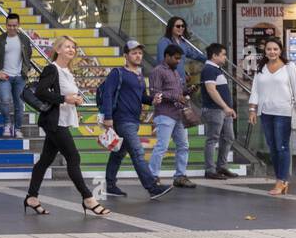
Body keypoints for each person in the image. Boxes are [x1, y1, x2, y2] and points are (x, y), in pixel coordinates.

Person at [24, 37, 110, 217]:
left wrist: (75, 100)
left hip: (62, 120)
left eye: (73, 47)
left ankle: (32, 197)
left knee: (45, 160)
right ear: (58, 49)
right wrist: (65, 99)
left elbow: (66, 95)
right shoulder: (52, 69)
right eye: (67, 46)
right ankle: (88, 198)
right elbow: (41, 91)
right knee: (74, 157)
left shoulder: (67, 72)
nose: (71, 49)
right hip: (54, 122)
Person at [99, 40, 171, 200]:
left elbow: (141, 97)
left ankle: (110, 185)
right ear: (125, 56)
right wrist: (108, 117)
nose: (138, 55)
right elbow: (108, 94)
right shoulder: (117, 73)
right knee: (138, 153)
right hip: (121, 119)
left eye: (140, 53)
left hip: (133, 120)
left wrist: (152, 100)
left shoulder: (139, 75)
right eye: (134, 53)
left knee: (118, 154)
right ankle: (152, 187)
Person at [247, 38, 296, 196]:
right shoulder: (261, 67)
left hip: (283, 112)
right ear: (265, 51)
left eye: (275, 49)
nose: (272, 52)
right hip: (266, 113)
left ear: (280, 50)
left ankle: (281, 181)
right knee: (273, 149)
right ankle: (280, 178)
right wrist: (252, 110)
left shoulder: (289, 66)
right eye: (269, 49)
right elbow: (255, 90)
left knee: (281, 147)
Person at [148, 43, 195, 189]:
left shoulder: (175, 72)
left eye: (180, 59)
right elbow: (155, 92)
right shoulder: (158, 71)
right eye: (176, 58)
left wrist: (187, 92)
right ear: (167, 56)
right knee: (162, 146)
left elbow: (178, 93)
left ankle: (180, 176)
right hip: (165, 114)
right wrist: (176, 97)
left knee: (183, 145)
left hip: (178, 113)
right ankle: (152, 176)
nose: (178, 61)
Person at [0, 13, 32, 137]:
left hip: (20, 77)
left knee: (19, 104)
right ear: (6, 25)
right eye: (9, 25)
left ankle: (17, 128)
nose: (12, 28)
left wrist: (26, 69)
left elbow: (28, 56)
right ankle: (7, 124)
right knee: (5, 101)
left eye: (14, 25)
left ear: (19, 25)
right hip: (4, 77)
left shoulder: (24, 39)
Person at [200, 42, 238, 180]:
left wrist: (228, 108)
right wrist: (225, 107)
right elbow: (211, 90)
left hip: (223, 110)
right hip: (214, 110)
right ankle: (210, 170)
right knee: (213, 138)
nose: (225, 58)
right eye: (223, 55)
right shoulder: (209, 69)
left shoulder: (216, 69)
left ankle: (221, 166)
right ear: (214, 55)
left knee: (228, 137)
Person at [156, 16, 206, 83]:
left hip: (181, 81)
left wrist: (210, 59)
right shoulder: (164, 42)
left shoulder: (182, 43)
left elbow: (194, 55)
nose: (181, 28)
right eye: (178, 26)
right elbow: (161, 62)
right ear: (171, 27)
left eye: (183, 26)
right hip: (169, 82)